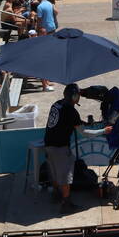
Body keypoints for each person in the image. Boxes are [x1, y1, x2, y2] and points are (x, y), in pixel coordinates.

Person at [44, 83, 83, 212]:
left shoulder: (56, 104)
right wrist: (103, 131)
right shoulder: (71, 111)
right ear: (74, 97)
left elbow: (63, 121)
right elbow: (85, 133)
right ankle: (66, 205)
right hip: (60, 147)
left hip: (48, 144)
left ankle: (56, 195)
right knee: (65, 176)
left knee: (55, 172)